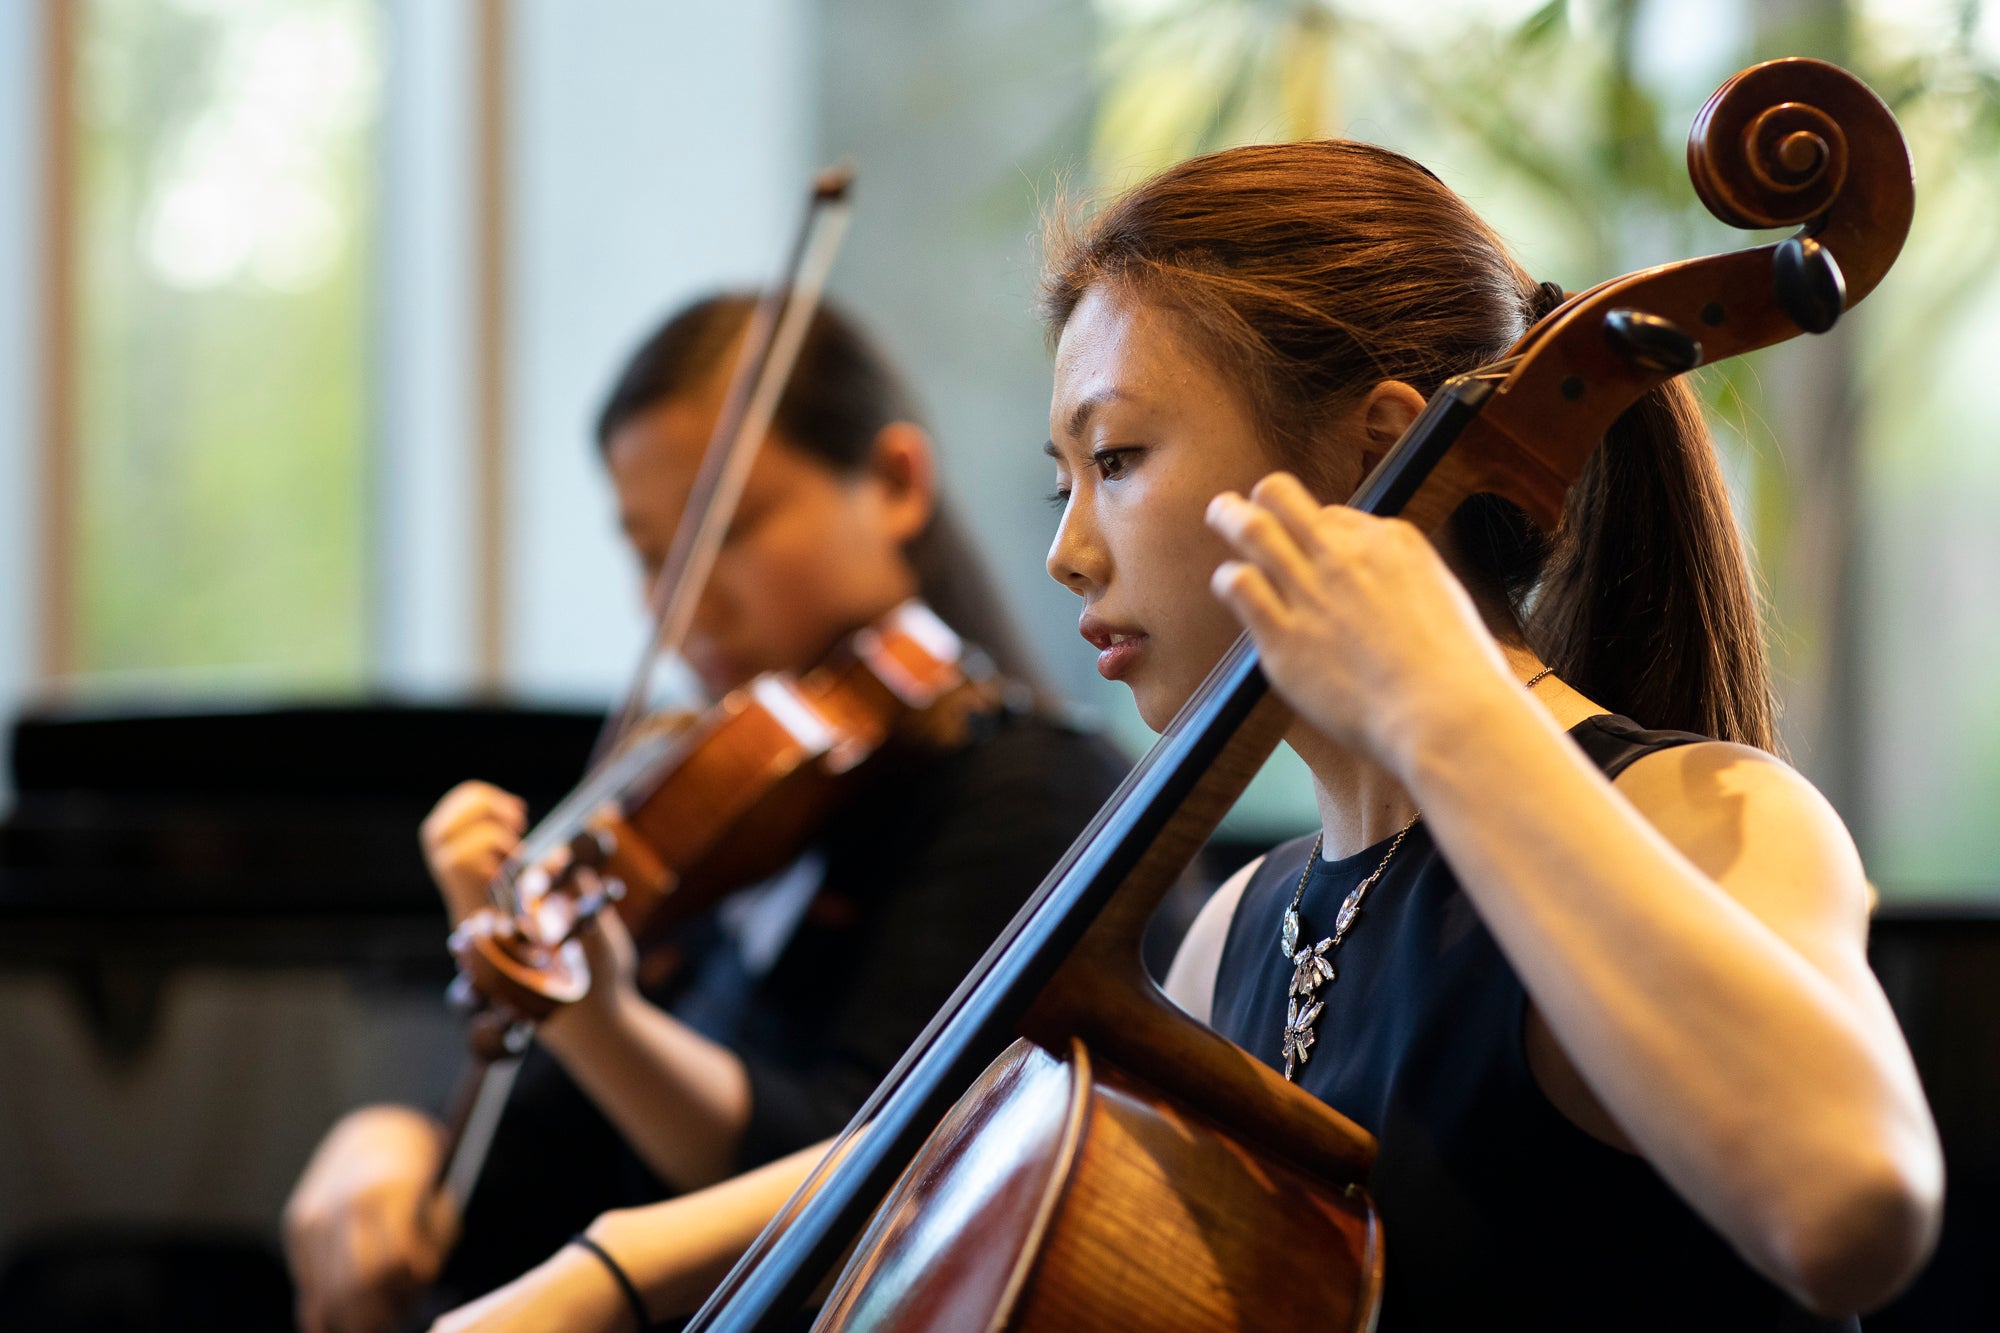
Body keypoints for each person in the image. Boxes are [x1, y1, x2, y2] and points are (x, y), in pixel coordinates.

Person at [424, 139, 1945, 1332]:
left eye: (1119, 459)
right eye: (1061, 481)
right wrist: (602, 1276)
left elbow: (1848, 1206)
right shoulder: (1244, 925)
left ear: (1373, 452)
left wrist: (1446, 701)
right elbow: (947, 1148)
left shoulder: (1713, 811)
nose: (1065, 552)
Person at [281, 295, 1127, 1333]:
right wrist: (399, 1138)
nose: (682, 604)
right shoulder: (725, 802)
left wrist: (597, 1021)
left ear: (897, 483)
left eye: (725, 530)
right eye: (650, 554)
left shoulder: (1031, 791)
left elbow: (877, 1184)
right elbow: (554, 1157)